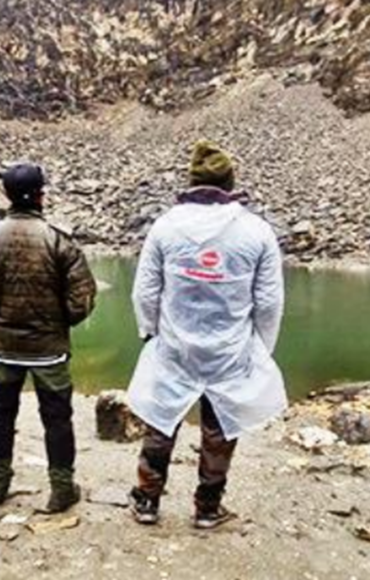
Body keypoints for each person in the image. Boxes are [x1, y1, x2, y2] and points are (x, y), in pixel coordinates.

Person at [127, 141, 286, 530]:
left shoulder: (165, 226)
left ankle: (147, 500)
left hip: (175, 345)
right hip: (230, 350)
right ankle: (207, 508)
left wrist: (149, 332)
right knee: (220, 428)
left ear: (192, 181)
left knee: (162, 419)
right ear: (230, 184)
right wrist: (262, 347)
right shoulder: (256, 231)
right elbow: (268, 302)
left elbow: (145, 292)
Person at [0, 163, 98, 514]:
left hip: (3, 349)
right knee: (57, 417)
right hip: (49, 351)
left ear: (8, 195)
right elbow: (82, 301)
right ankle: (61, 488)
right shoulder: (58, 239)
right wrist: (55, 323)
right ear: (40, 196)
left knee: (1, 413)